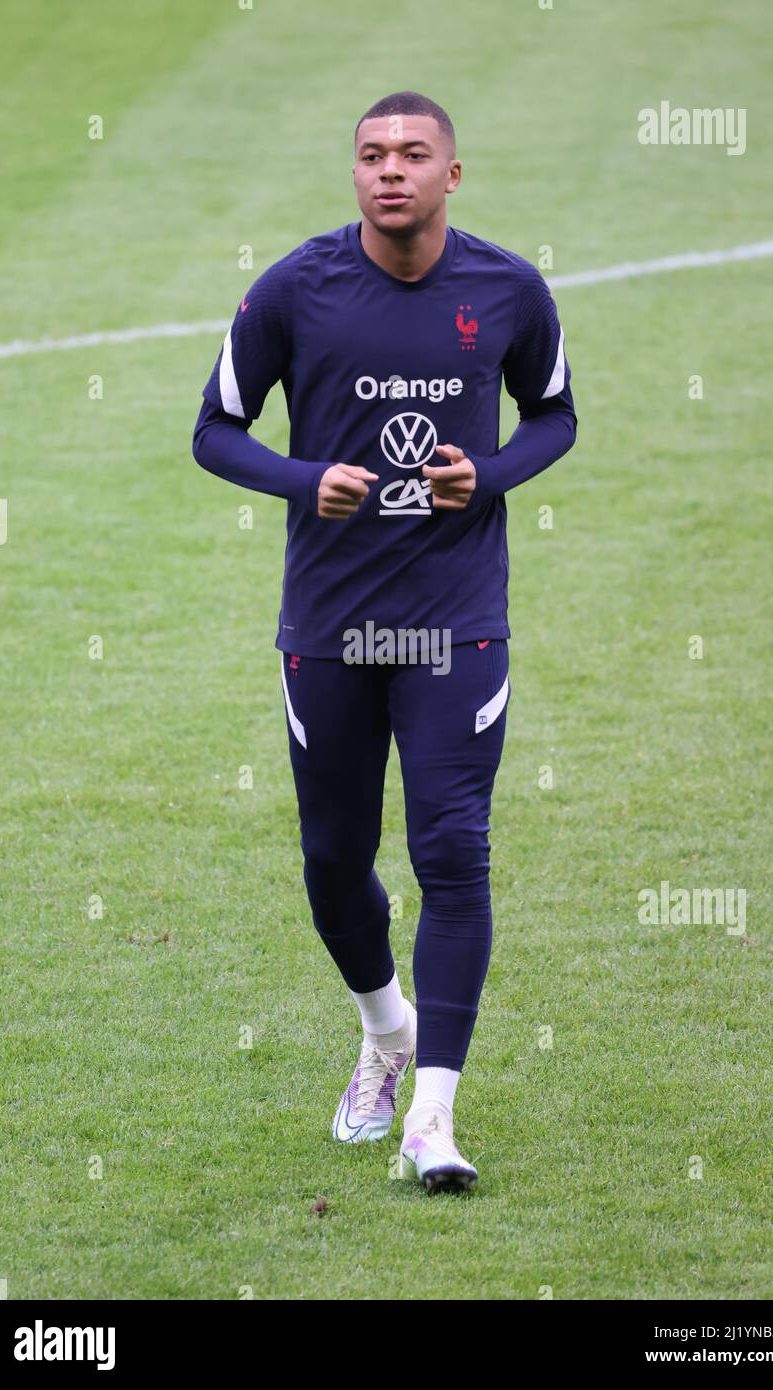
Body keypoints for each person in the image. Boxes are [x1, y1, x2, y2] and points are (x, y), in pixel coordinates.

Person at [192, 90, 577, 1192]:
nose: (389, 170)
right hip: (330, 624)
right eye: (371, 154)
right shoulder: (295, 289)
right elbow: (214, 430)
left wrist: (487, 475)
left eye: (412, 154)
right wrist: (303, 477)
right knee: (331, 856)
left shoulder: (506, 288)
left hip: (455, 619)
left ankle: (432, 1119)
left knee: (451, 850)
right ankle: (384, 1031)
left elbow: (552, 414)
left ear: (451, 174)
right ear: (353, 172)